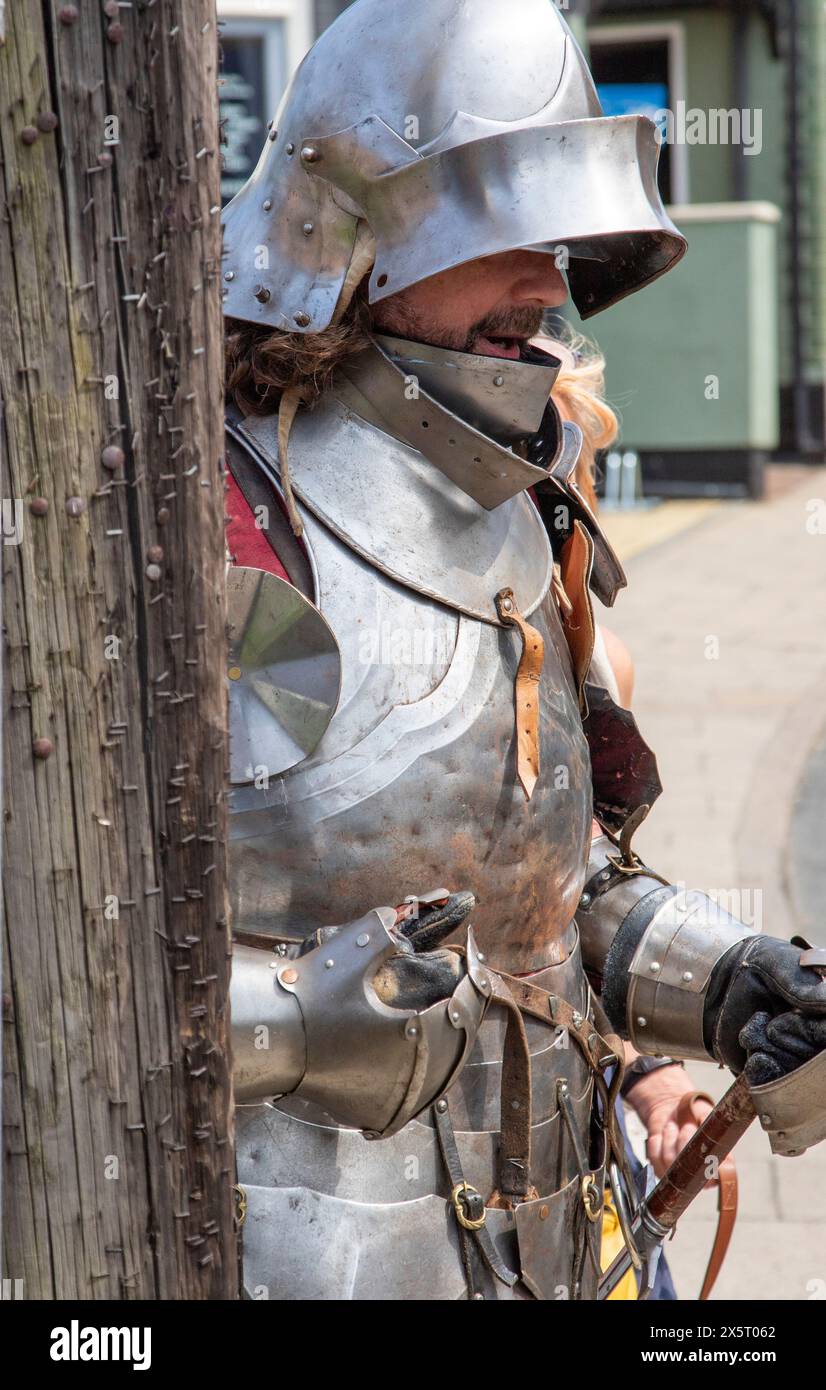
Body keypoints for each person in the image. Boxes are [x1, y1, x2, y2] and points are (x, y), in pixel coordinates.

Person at [221, 0, 826, 1301]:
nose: (548, 283)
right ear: (356, 228)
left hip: (554, 1239)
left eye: (554, 237)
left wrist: (725, 982)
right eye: (499, 229)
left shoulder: (513, 492)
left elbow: (526, 910)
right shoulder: (182, 510)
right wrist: (283, 1030)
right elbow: (52, 943)